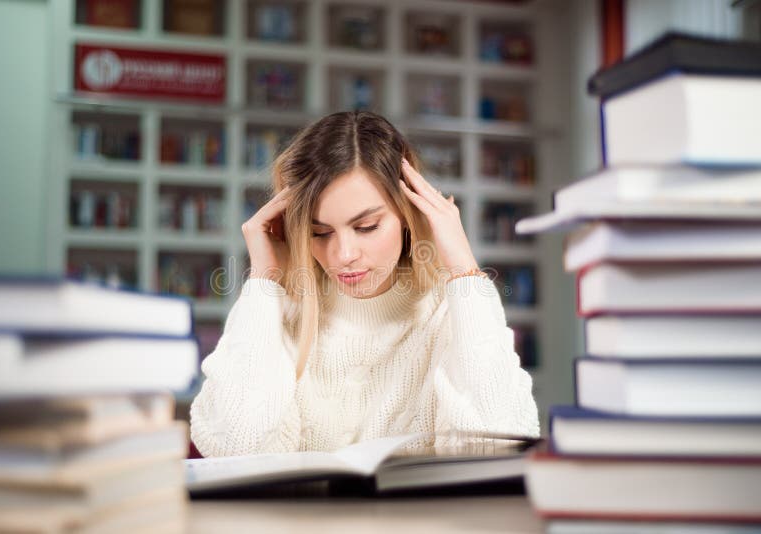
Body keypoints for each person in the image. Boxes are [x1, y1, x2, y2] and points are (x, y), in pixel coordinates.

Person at [190, 111, 539, 457]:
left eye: (367, 227)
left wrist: (465, 271)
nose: (343, 254)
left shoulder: (450, 313)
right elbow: (232, 448)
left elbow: (498, 448)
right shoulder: (279, 315)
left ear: (407, 214)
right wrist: (263, 281)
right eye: (319, 232)